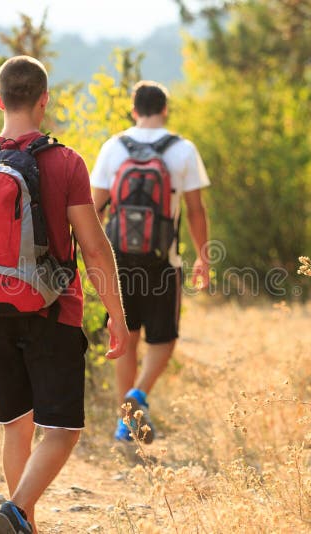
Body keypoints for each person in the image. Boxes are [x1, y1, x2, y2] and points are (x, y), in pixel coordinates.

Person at [0, 55, 129, 534]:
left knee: (16, 426)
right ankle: (18, 509)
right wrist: (117, 315)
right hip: (54, 311)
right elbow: (94, 248)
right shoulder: (64, 162)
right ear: (44, 101)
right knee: (62, 430)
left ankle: (23, 521)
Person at [90, 80, 211, 444]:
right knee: (164, 339)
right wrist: (203, 257)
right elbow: (195, 210)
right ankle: (138, 393)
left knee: (124, 336)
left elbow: (95, 209)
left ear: (134, 110)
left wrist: (93, 261)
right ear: (165, 110)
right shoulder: (183, 150)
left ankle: (124, 422)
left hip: (118, 260)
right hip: (163, 261)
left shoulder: (113, 147)